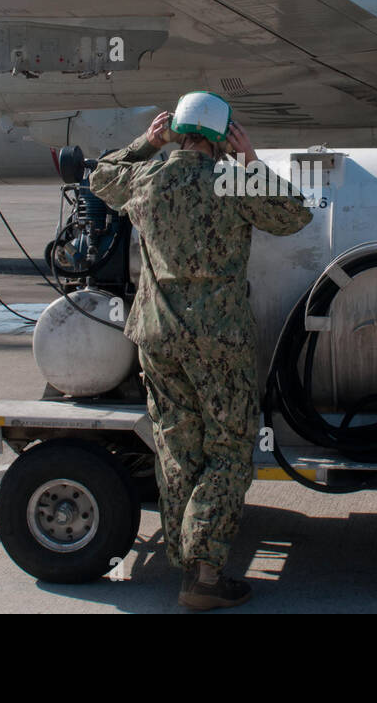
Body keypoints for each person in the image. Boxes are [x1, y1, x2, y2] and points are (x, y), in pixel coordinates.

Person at [89, 92, 312, 609]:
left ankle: (187, 563)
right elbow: (294, 215)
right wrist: (252, 160)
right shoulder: (232, 181)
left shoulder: (145, 179)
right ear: (222, 136)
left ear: (177, 131)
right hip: (218, 338)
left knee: (176, 444)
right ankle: (206, 574)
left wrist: (146, 142)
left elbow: (100, 177)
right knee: (229, 447)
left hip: (158, 336)